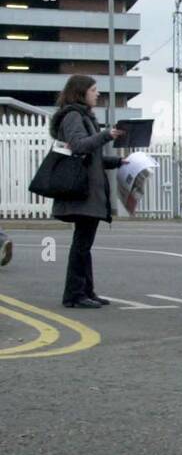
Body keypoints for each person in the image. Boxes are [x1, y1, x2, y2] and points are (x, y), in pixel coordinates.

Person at [49, 75, 126, 308]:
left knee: (84, 244)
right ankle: (74, 295)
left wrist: (119, 162)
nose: (98, 93)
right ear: (81, 92)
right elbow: (79, 146)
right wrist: (107, 135)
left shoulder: (84, 116)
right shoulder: (73, 116)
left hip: (89, 192)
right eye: (94, 89)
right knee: (81, 244)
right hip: (81, 191)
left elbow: (94, 158)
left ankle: (86, 291)